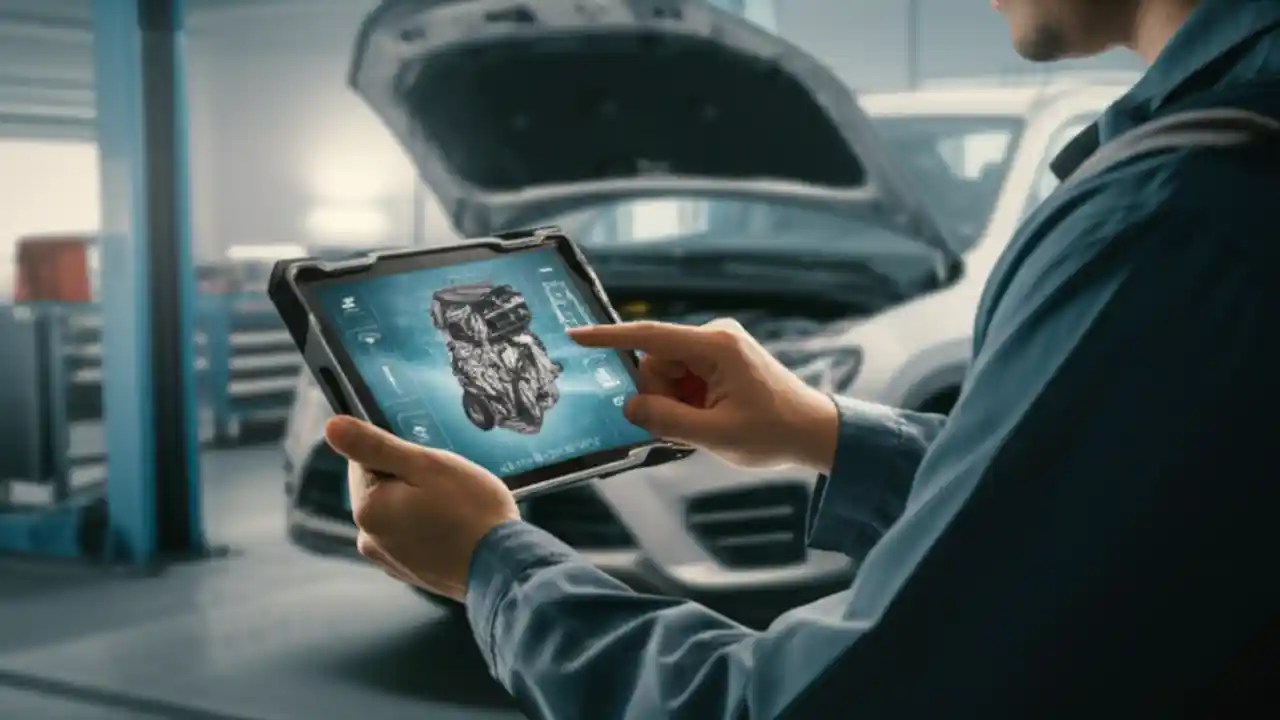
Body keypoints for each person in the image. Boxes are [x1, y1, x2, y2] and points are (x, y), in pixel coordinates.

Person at [327, 0, 1280, 716]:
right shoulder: (1225, 143)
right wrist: (821, 430)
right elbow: (1099, 506)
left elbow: (824, 701)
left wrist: (495, 571)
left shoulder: (1167, 219)